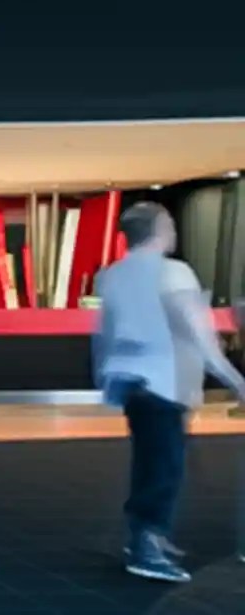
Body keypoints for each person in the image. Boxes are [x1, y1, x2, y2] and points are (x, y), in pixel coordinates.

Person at [93, 202, 245, 583]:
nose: (175, 231)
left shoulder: (113, 275)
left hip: (131, 383)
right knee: (164, 468)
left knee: (150, 461)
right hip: (164, 382)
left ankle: (150, 537)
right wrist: (235, 380)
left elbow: (105, 332)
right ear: (159, 229)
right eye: (171, 225)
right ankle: (146, 545)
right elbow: (199, 333)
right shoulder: (174, 272)